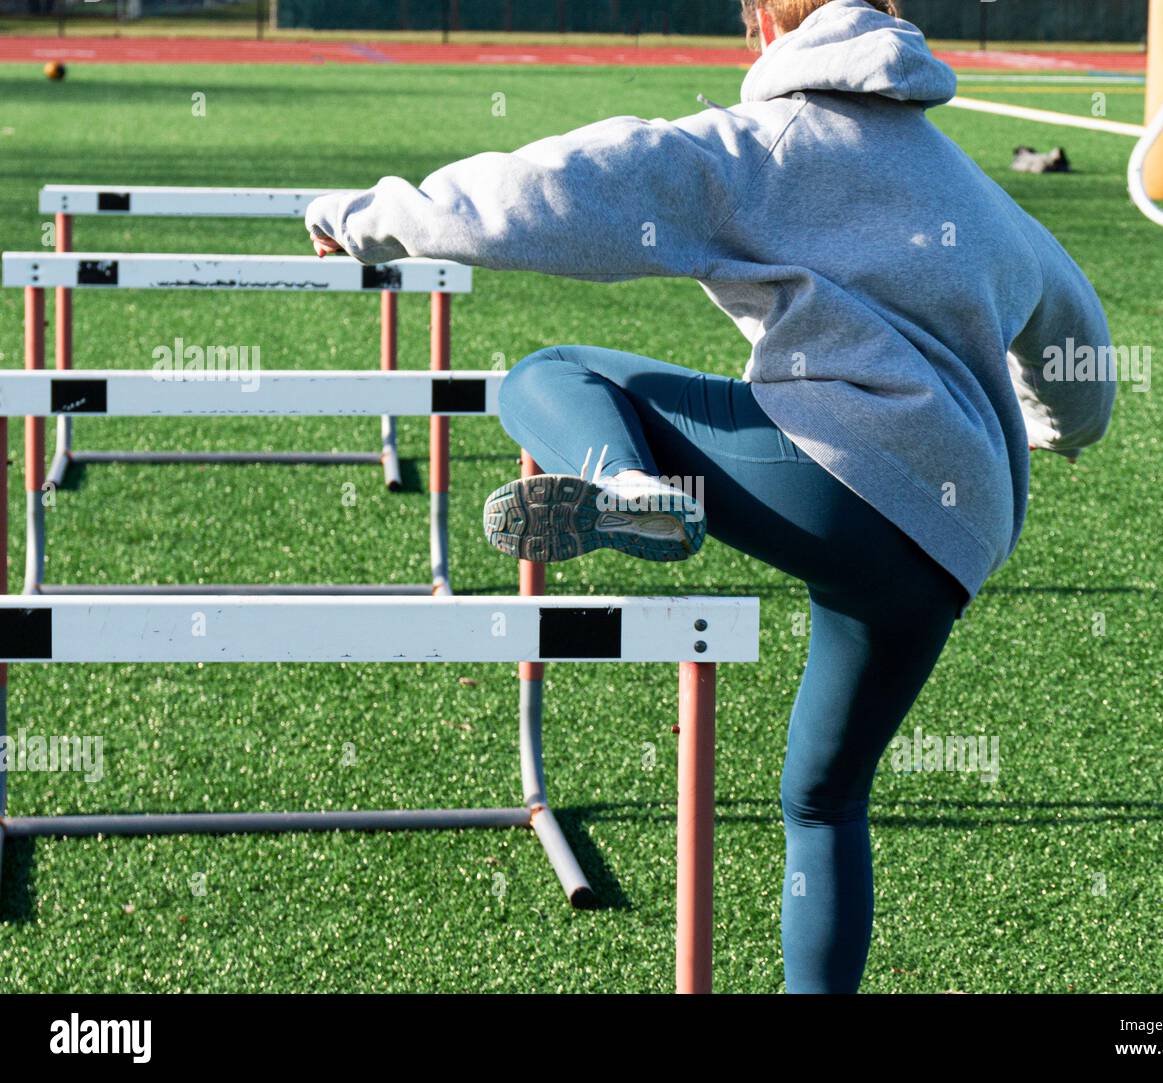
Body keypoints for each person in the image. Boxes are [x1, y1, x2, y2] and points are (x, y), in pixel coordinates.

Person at [305, 0, 1116, 994]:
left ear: (759, 25)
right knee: (822, 803)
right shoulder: (972, 189)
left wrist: (366, 219)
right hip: (956, 533)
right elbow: (1072, 321)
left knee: (550, 373)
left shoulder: (752, 147)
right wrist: (1063, 427)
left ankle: (627, 485)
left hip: (842, 475)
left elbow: (557, 187)